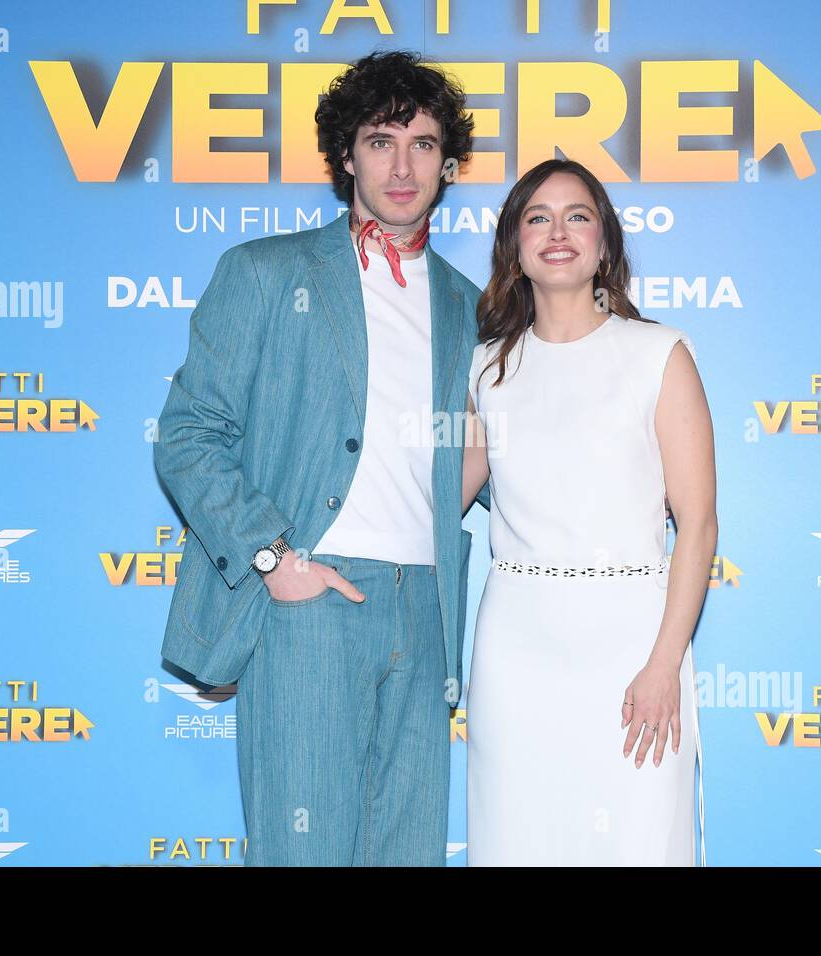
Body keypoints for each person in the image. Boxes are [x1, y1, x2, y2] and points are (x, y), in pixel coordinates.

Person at [154, 50, 487, 866]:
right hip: (312, 599)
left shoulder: (468, 304)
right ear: (347, 156)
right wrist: (274, 558)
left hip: (427, 609)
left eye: (422, 143)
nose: (402, 165)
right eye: (381, 141)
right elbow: (189, 432)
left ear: (448, 162)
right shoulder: (268, 273)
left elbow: (460, 463)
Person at [461, 158, 717, 866]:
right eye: (537, 218)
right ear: (515, 246)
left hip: (632, 643)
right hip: (516, 649)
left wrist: (664, 663)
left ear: (605, 245)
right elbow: (434, 497)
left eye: (579, 216)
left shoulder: (658, 353)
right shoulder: (484, 369)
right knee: (519, 841)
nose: (558, 232)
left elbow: (697, 523)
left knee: (636, 842)